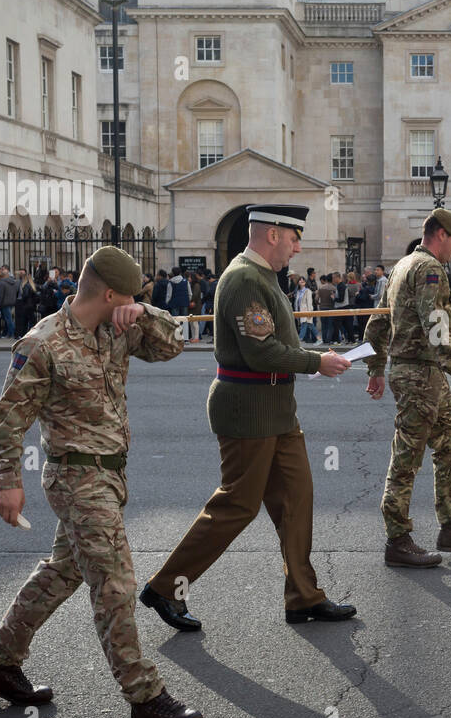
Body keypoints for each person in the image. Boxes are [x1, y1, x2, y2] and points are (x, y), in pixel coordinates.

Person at [0, 246, 202, 718]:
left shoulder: (117, 325)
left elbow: (174, 342)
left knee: (63, 572)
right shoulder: (43, 343)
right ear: (109, 292)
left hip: (111, 474)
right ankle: (146, 696)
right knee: (115, 585)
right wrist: (7, 484)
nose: (138, 301)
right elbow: (6, 422)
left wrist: (144, 310)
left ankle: (0, 662)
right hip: (76, 479)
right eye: (134, 294)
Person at [143, 205, 355, 630]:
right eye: (294, 238)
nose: (298, 247)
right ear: (272, 234)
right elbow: (261, 352)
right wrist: (317, 362)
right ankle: (167, 588)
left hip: (276, 408)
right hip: (248, 408)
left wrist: (309, 363)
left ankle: (303, 596)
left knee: (296, 501)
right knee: (237, 505)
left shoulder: (263, 278)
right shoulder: (243, 278)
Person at [364, 208, 451, 568]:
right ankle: (397, 539)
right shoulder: (430, 269)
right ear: (440, 235)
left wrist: (375, 368)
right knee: (407, 456)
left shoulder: (402, 267)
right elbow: (436, 328)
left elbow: (378, 321)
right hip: (419, 374)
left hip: (421, 373)